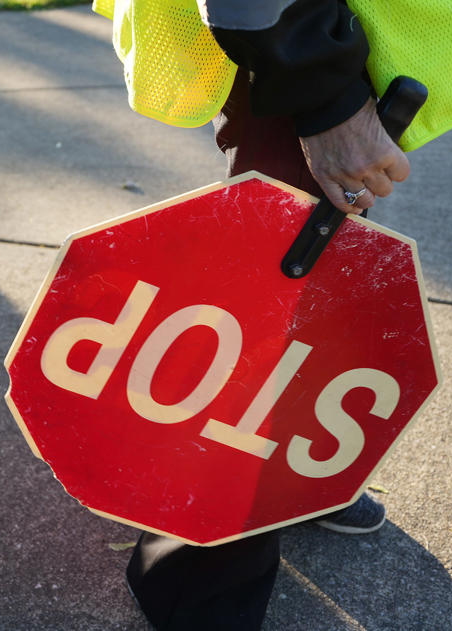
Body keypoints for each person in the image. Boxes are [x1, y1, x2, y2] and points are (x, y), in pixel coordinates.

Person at [122, 1, 406, 629]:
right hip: (306, 47)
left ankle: (291, 480)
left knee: (311, 296)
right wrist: (325, 94)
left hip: (337, 49)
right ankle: (196, 585)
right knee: (261, 318)